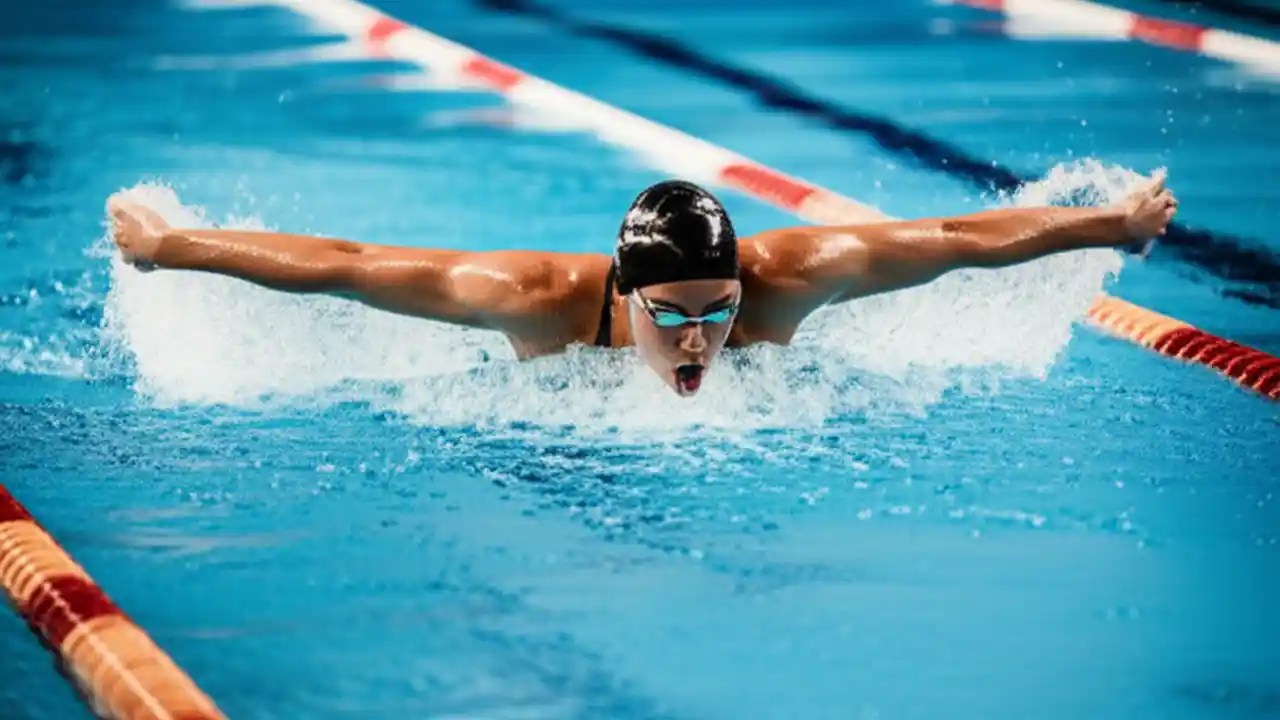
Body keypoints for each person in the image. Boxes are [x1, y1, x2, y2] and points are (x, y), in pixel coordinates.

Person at [107, 175, 1177, 396]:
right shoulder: (532, 298)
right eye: (675, 316)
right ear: (622, 295)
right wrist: (171, 246)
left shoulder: (790, 279)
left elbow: (953, 236)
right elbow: (348, 267)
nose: (704, 339)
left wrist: (1106, 227)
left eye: (721, 310)